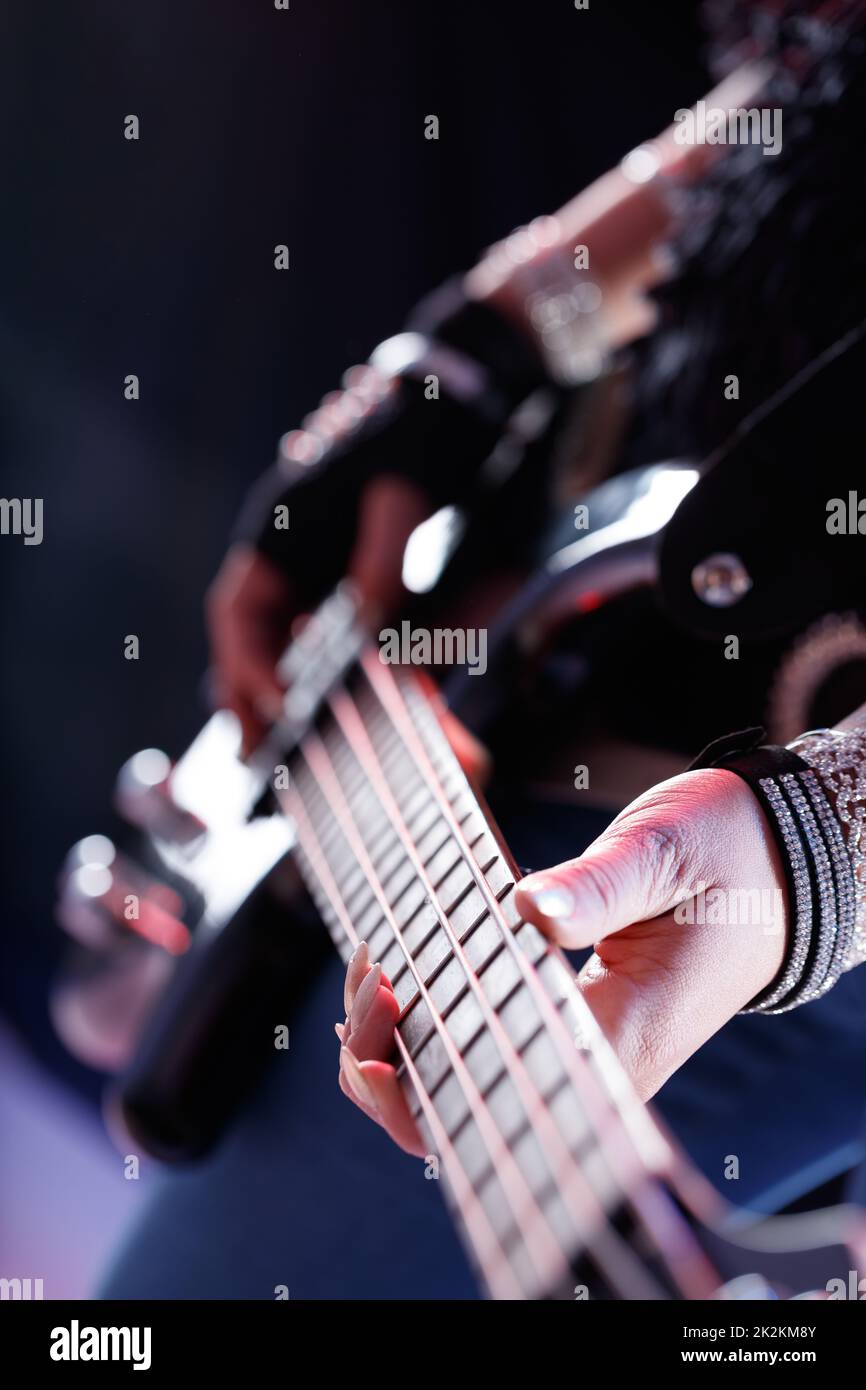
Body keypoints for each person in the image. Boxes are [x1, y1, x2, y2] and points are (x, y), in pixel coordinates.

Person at [102, 1, 866, 1298]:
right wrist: (464, 365)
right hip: (575, 735)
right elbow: (773, 138)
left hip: (715, 884)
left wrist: (826, 840)